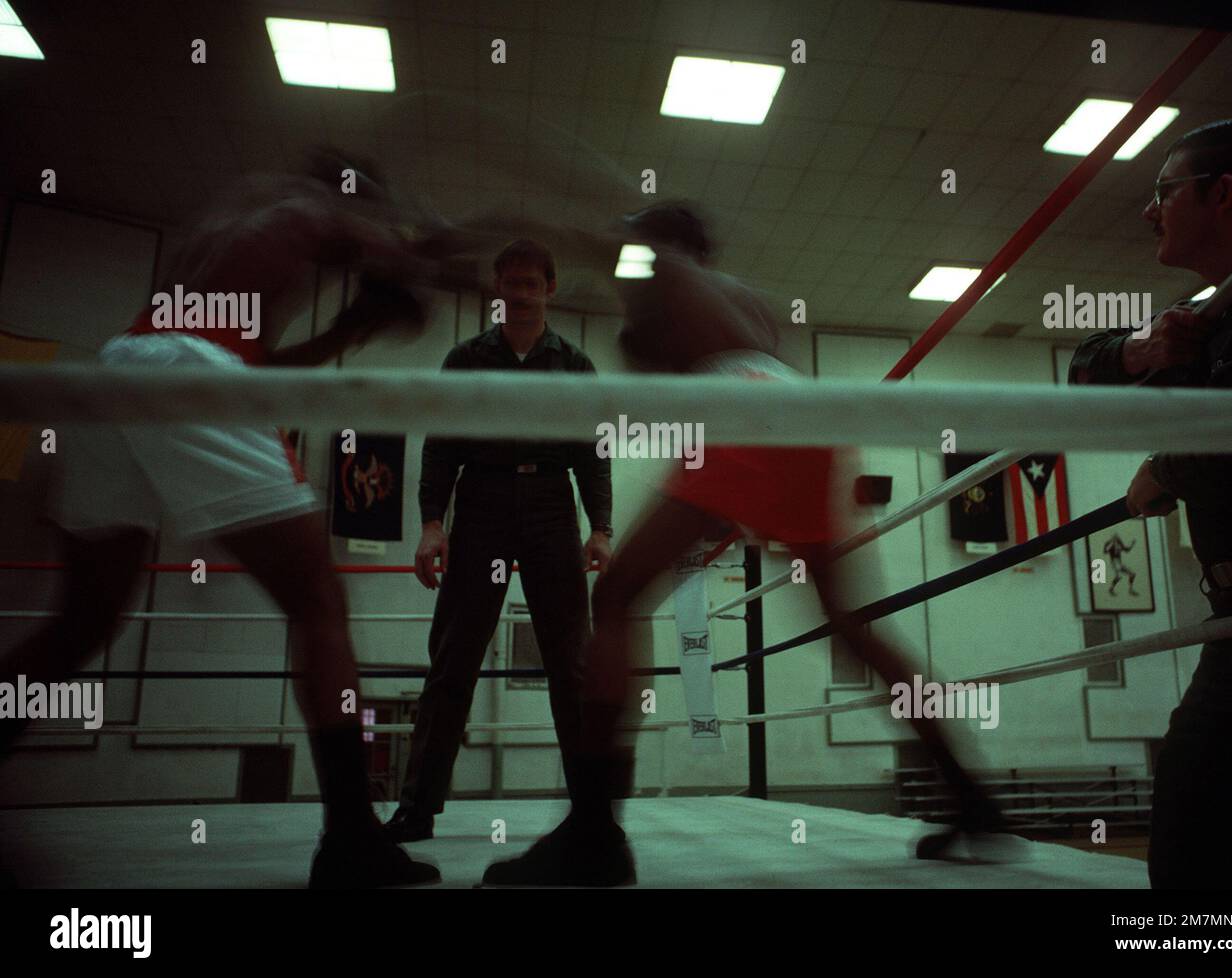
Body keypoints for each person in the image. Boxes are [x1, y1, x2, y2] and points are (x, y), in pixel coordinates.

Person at [478, 203, 1004, 886]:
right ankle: (973, 797)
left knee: (616, 596)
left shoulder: (660, 266)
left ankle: (593, 832)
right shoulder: (738, 298)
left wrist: (459, 233)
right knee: (853, 626)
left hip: (739, 411)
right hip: (802, 420)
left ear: (661, 240)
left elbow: (582, 236)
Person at [0, 149, 444, 889]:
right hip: (187, 369)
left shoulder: (239, 227)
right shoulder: (305, 208)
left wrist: (350, 331)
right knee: (318, 599)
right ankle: (351, 838)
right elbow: (404, 256)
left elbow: (254, 371)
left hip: (119, 366)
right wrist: (426, 238)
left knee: (81, 620)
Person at [1069, 119, 1232, 888]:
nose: (1149, 210)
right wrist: (1143, 349)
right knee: (1196, 825)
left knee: (1208, 826)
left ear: (1226, 194)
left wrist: (1164, 470)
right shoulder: (1214, 312)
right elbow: (1084, 370)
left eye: (1165, 191)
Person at [384, 239, 613, 843]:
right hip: (481, 503)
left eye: (531, 284)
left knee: (572, 663)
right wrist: (431, 523)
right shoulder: (465, 360)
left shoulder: (574, 365)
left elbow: (594, 452)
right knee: (453, 657)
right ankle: (416, 809)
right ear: (498, 288)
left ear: (550, 288)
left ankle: (592, 814)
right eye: (511, 283)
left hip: (551, 507)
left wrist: (602, 528)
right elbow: (441, 443)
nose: (521, 294)